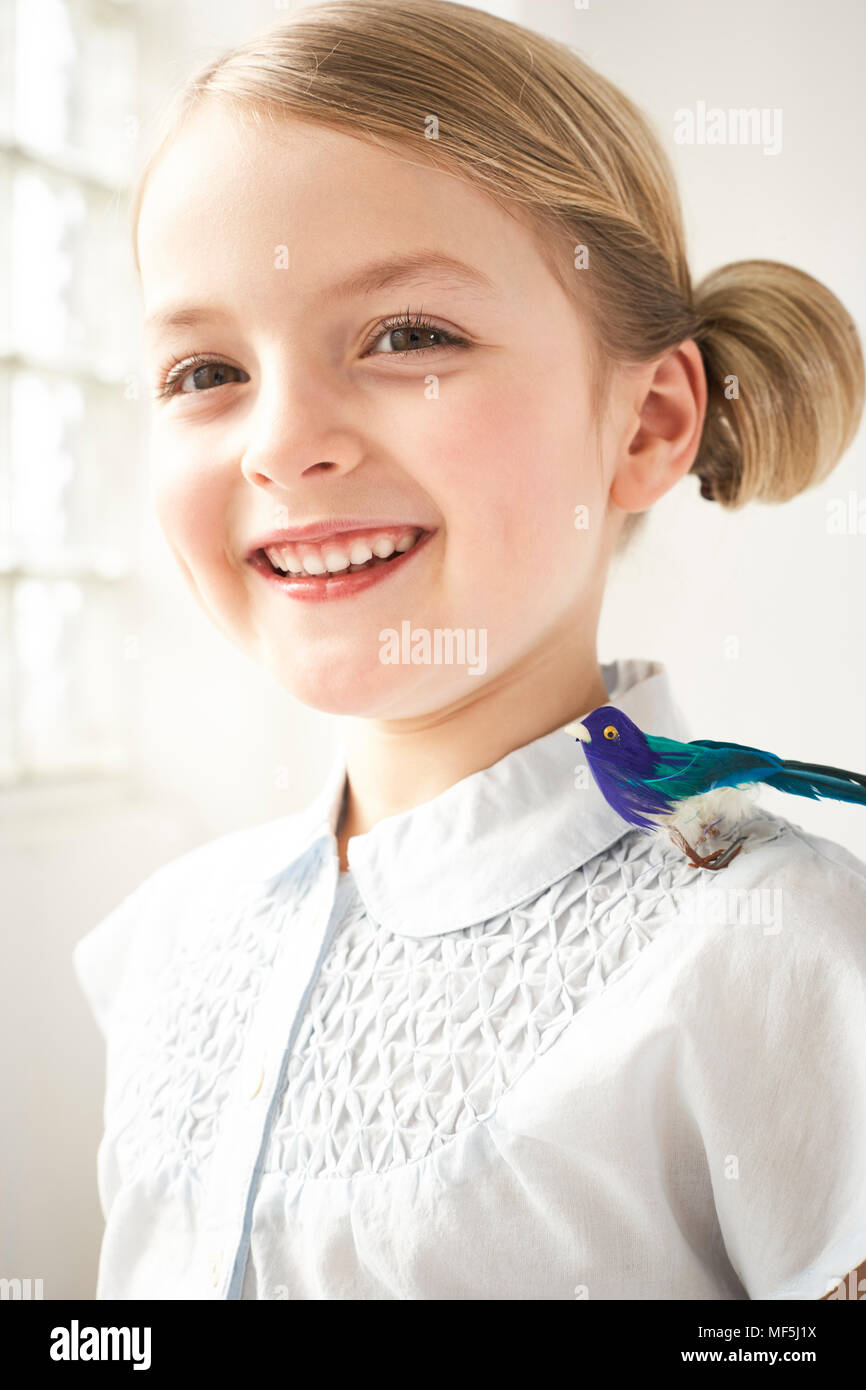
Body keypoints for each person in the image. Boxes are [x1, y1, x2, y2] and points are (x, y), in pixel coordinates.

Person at [73, 0, 866, 1300]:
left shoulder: (776, 950)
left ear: (647, 422)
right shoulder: (165, 946)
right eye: (203, 368)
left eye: (407, 337)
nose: (281, 443)